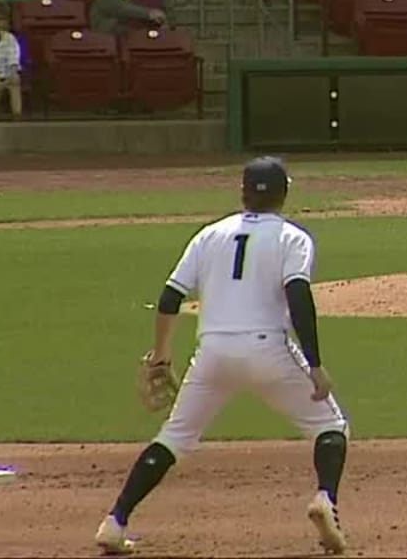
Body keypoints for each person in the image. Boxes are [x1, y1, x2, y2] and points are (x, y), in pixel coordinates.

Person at [93, 158, 350, 556]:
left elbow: (170, 297)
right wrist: (315, 364)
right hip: (269, 349)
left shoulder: (208, 235)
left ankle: (115, 521)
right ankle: (325, 499)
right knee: (329, 425)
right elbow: (299, 296)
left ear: (242, 191)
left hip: (212, 352)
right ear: (285, 193)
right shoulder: (292, 237)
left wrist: (161, 355)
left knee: (174, 438)